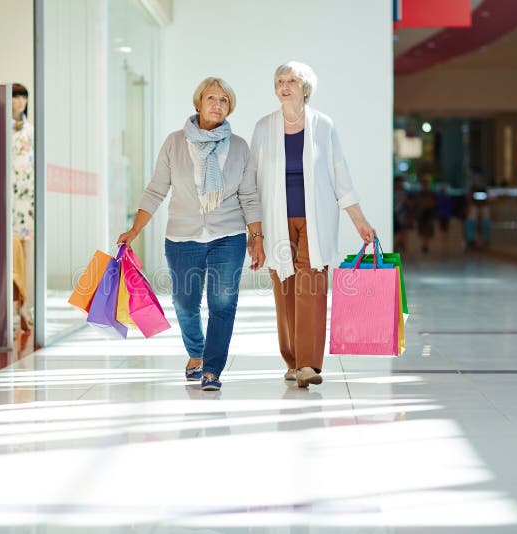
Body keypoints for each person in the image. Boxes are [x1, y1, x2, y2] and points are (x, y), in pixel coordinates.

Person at [117, 77, 265, 392]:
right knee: (185, 302)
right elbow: (157, 189)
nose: (217, 104)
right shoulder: (174, 142)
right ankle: (196, 351)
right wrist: (134, 229)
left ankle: (212, 369)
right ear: (198, 103)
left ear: (230, 108)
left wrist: (257, 238)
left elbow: (249, 196)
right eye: (211, 98)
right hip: (182, 236)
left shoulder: (238, 146)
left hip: (229, 234)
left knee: (223, 303)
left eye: (224, 100)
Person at [249, 61, 375, 389]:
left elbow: (340, 175)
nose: (284, 85)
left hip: (315, 219)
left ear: (306, 87)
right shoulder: (264, 127)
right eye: (280, 79)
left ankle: (308, 363)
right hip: (276, 219)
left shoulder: (323, 126)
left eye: (291, 79)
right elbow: (251, 183)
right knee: (285, 286)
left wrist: (359, 221)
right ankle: (291, 360)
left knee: (312, 286)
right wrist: (255, 233)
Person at [11, 83, 34, 332]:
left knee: (26, 258)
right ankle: (13, 307)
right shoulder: (1, 130)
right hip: (7, 203)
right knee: (11, 256)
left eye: (23, 98)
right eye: (16, 98)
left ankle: (25, 307)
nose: (20, 102)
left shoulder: (30, 131)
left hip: (26, 204)